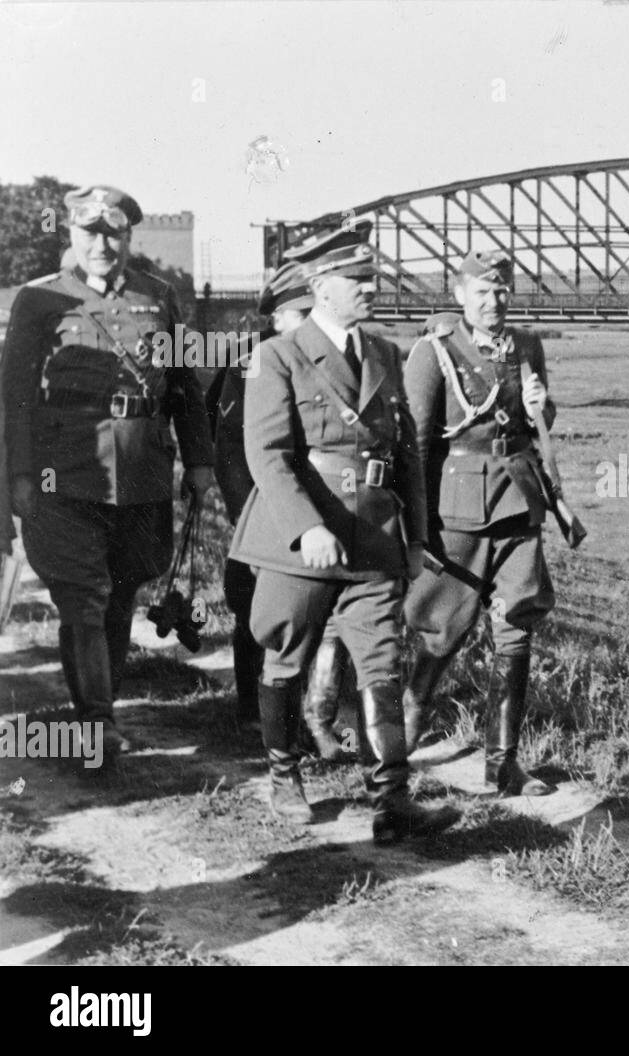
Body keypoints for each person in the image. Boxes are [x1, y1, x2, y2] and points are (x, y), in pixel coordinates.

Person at [227, 220, 457, 843]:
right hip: (302, 538)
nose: (369, 287)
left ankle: (392, 802)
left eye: (370, 276)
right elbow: (268, 454)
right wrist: (305, 527)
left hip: (375, 536)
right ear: (322, 288)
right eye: (357, 279)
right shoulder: (279, 355)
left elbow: (405, 454)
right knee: (286, 653)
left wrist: (414, 539)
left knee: (382, 662)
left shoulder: (383, 352)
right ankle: (284, 778)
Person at [1, 185, 214, 755]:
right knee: (83, 595)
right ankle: (97, 723)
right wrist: (19, 476)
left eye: (112, 232)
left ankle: (103, 711)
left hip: (142, 468)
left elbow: (186, 387)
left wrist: (198, 459)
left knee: (120, 592)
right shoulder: (39, 300)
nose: (100, 244)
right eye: (89, 232)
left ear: (127, 236)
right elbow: (16, 397)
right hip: (64, 472)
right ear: (71, 235)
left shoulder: (159, 296)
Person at [402, 250, 558, 797]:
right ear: (461, 294)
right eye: (483, 293)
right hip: (457, 504)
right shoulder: (434, 351)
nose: (494, 302)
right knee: (444, 624)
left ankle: (503, 762)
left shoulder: (528, 347)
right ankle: (410, 716)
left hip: (518, 498)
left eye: (502, 292)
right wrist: (415, 526)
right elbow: (417, 444)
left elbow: (535, 421)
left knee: (517, 621)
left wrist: (543, 406)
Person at [206, 262, 350, 752]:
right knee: (258, 609)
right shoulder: (253, 362)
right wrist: (259, 515)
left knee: (333, 614)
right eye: (302, 312)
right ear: (276, 317)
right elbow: (231, 450)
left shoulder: (337, 357)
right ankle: (255, 714)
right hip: (266, 507)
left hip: (328, 509)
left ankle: (319, 719)